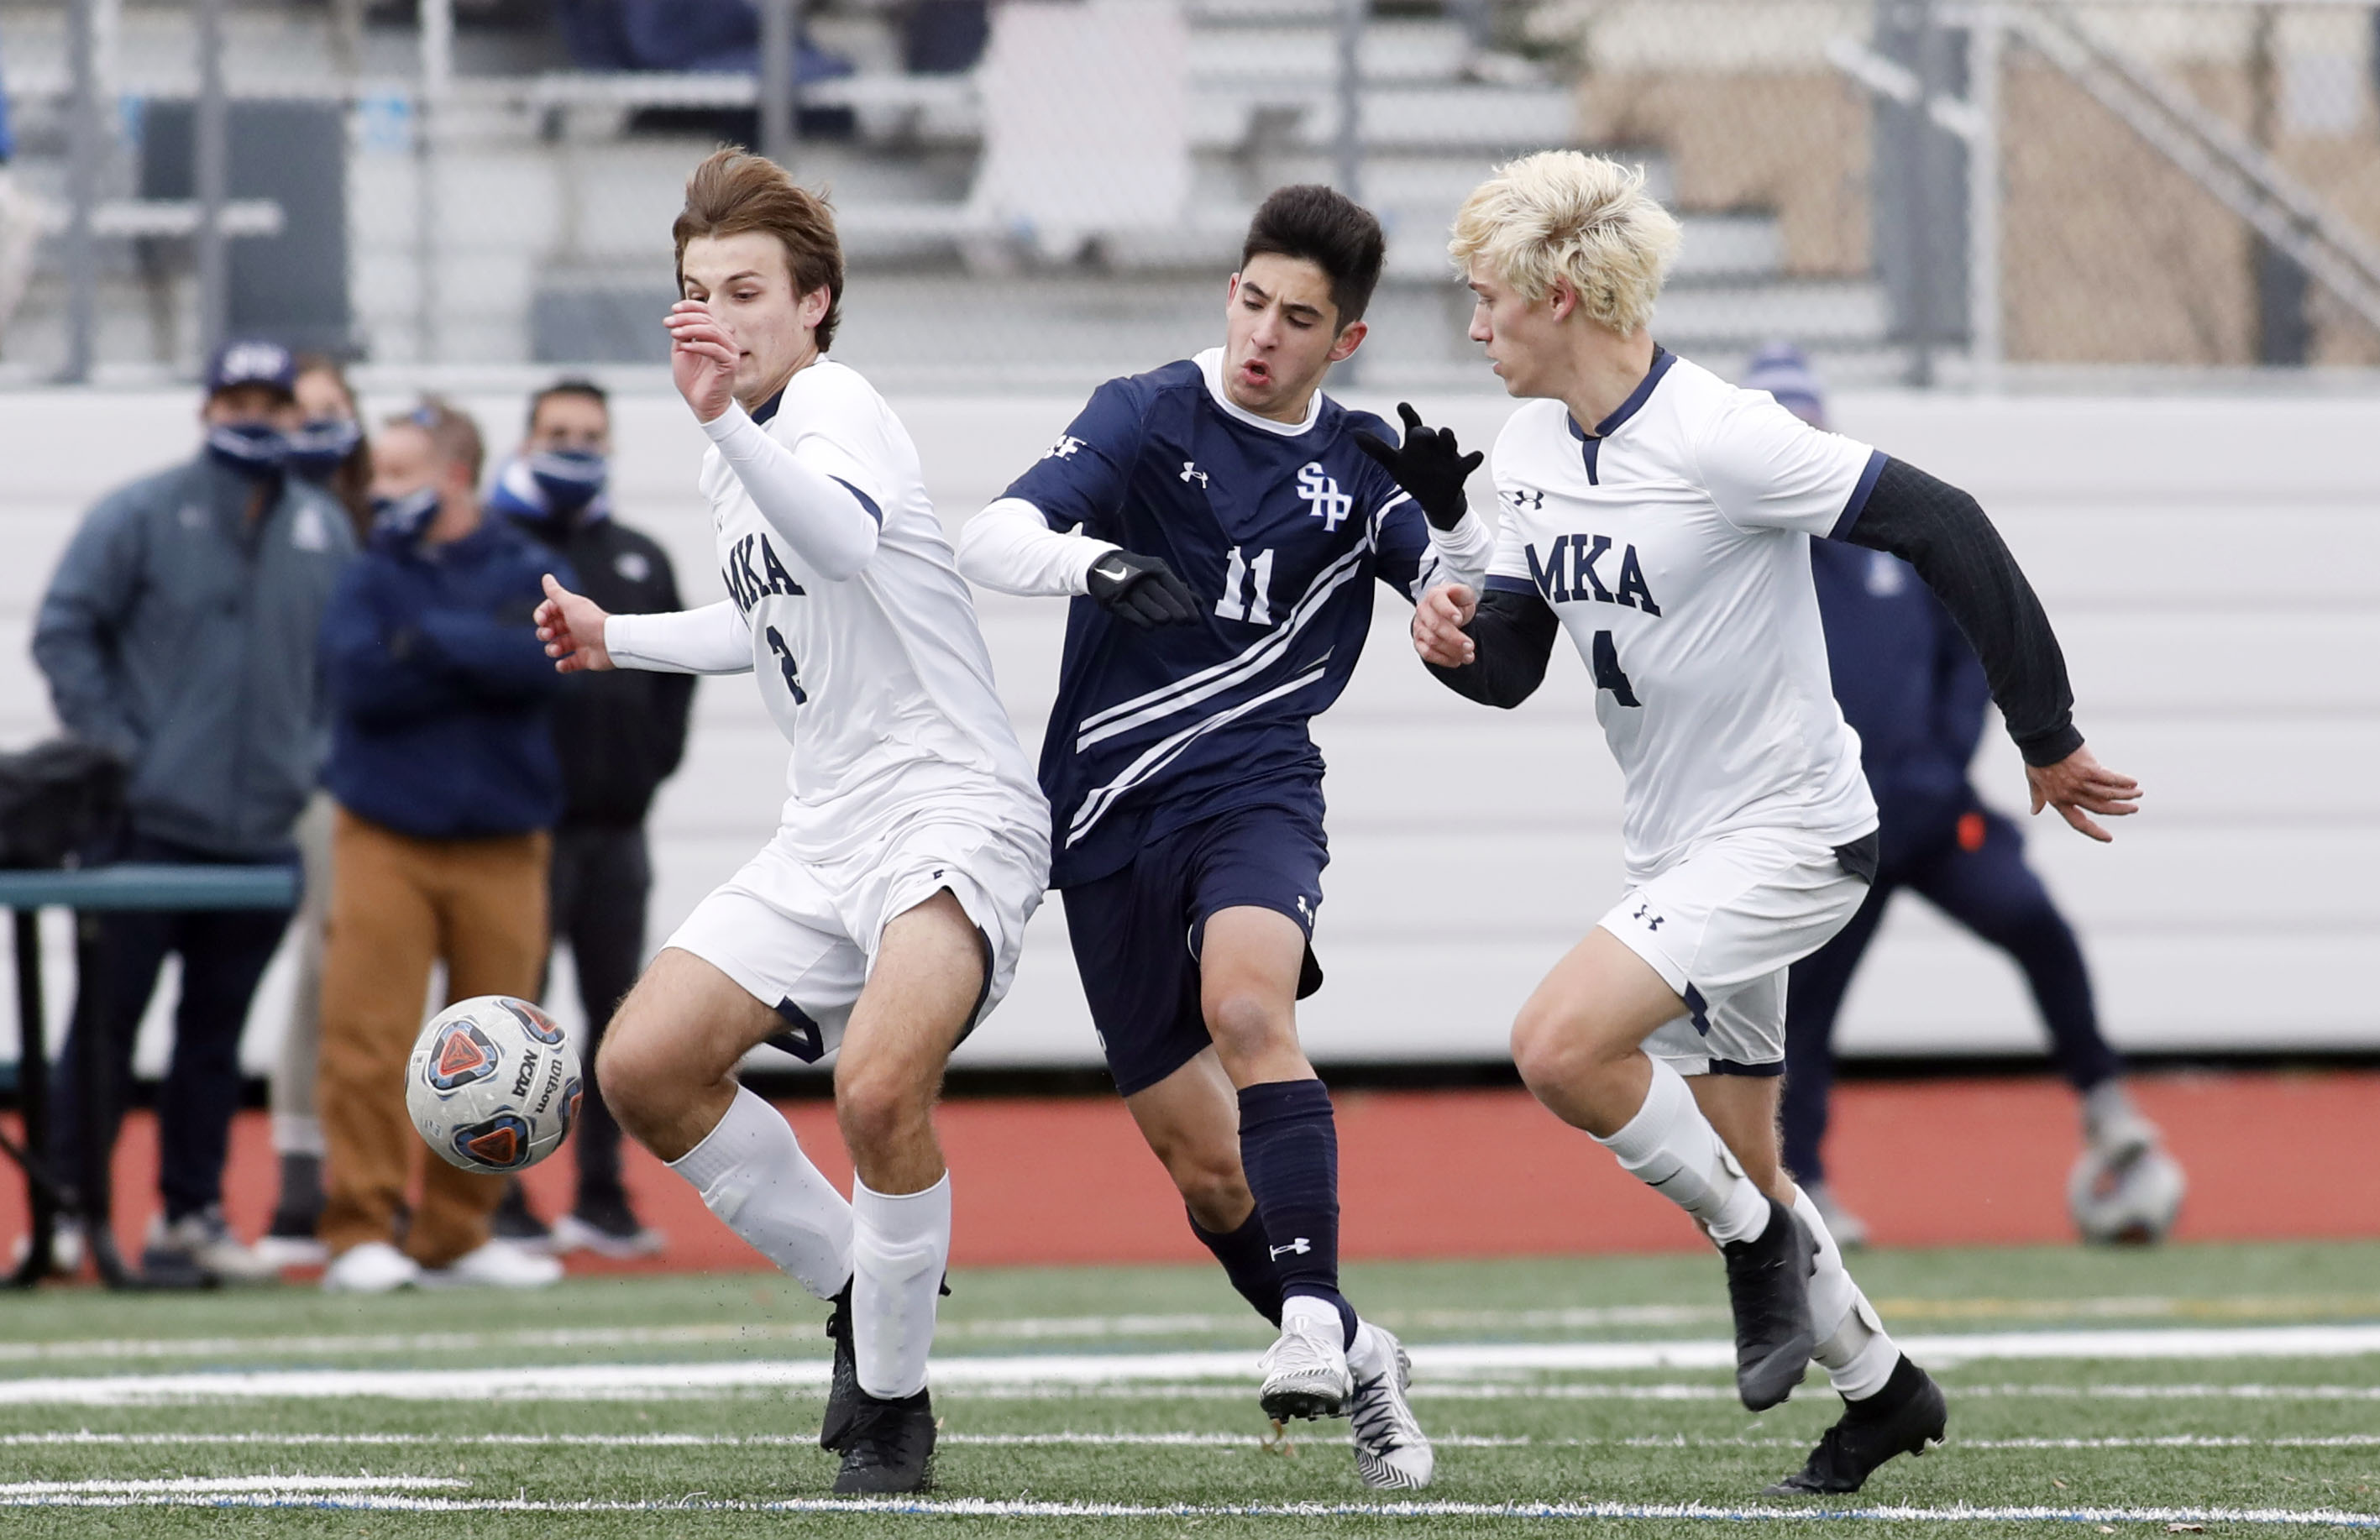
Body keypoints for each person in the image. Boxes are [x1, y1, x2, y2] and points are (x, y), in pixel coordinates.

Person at [1397, 152, 2139, 1495]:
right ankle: (1880, 1390)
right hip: (1678, 847)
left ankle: (1755, 1249)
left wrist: (2046, 733)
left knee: (1556, 1046)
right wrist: (1445, 607)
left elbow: (1944, 521)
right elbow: (1506, 668)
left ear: (1560, 293)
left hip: (1794, 832)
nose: (1472, 323)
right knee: (1740, 1161)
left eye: (1486, 294)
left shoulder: (1721, 434)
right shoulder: (1519, 449)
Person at [953, 184, 1487, 1490]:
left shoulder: (1364, 462)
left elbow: (1478, 619)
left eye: (1296, 318)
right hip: (1105, 811)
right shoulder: (1146, 410)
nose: (1261, 334)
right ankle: (1364, 1353)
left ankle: (1310, 1320)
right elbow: (990, 532)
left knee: (1248, 1008)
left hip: (1255, 789)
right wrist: (1094, 566)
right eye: (1249, 299)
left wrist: (1458, 543)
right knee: (1204, 1175)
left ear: (1343, 340)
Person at [533, 149, 1050, 1495]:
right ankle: (866, 1294)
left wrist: (721, 424)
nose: (718, 314)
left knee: (879, 1087)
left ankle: (890, 1413)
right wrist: (614, 637)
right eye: (697, 290)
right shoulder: (748, 444)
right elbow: (770, 614)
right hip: (825, 828)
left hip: (950, 807)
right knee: (644, 1065)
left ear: (815, 303)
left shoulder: (832, 405)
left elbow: (833, 544)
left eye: (747, 289)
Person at [1736, 344, 2174, 1250]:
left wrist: (1939, 763)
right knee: (1803, 1011)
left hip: (1932, 814)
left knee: (2035, 924)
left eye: (1803, 419)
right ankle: (1805, 1183)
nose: (1793, 437)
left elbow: (1960, 651)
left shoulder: (1873, 532)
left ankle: (2103, 1104)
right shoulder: (1744, 560)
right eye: (1773, 421)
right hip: (1828, 832)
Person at [31, 338, 354, 1285]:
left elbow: (339, 668)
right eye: (238, 400)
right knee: (103, 1028)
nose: (255, 418)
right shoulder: (139, 511)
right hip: (142, 827)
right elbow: (65, 630)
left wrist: (312, 758)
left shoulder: (321, 526)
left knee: (214, 1039)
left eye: (271, 401)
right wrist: (120, 752)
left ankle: (190, 1212)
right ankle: (64, 1215)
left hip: (259, 835)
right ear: (208, 408)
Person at [313, 399, 572, 1295]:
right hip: (385, 835)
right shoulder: (367, 571)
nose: (379, 492)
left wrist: (425, 643)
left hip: (505, 842)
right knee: (367, 1036)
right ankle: (358, 1229)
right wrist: (474, 655)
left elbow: (538, 662)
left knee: (500, 1050)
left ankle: (456, 1232)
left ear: (453, 475)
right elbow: (358, 680)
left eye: (396, 472)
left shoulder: (529, 563)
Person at [488, 377, 694, 1259]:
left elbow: (675, 673)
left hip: (617, 832)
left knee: (618, 1018)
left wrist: (644, 770)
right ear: (525, 439)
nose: (574, 445)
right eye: (557, 431)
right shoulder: (492, 551)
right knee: (509, 1021)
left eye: (589, 434)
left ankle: (602, 1193)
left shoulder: (640, 554)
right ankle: (498, 1198)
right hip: (522, 834)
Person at [256, 355, 372, 1272]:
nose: (318, 428)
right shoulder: (263, 517)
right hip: (308, 777)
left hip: (379, 774)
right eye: (303, 412)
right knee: (323, 964)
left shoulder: (365, 518)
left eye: (333, 411)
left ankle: (375, 1168)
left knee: (363, 972)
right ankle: (303, 1168)